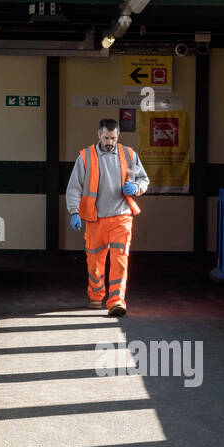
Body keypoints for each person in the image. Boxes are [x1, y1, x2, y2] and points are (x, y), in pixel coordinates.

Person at [66, 117, 150, 316]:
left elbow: (143, 179)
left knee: (120, 259)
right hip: (95, 219)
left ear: (118, 135)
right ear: (98, 135)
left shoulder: (129, 155)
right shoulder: (86, 157)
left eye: (113, 138)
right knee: (95, 262)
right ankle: (96, 296)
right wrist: (74, 211)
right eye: (106, 138)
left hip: (121, 216)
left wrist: (136, 187)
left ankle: (117, 301)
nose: (109, 142)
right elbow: (74, 188)